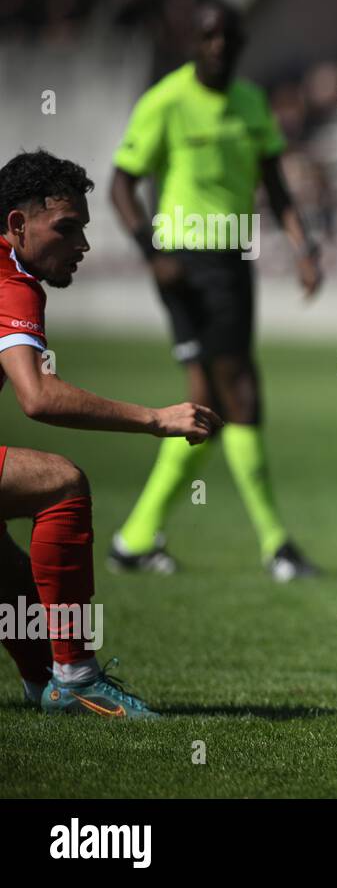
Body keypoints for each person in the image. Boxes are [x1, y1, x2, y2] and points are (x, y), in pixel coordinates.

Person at [107, 0, 323, 582]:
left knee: (203, 410)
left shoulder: (251, 103)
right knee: (241, 395)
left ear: (241, 42)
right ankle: (277, 545)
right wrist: (152, 252)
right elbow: (121, 186)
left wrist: (304, 247)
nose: (218, 46)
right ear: (191, 42)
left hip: (231, 261)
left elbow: (276, 186)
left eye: (227, 36)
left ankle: (132, 539)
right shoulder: (166, 102)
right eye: (207, 36)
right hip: (185, 263)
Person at [0, 150, 220, 717]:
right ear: (17, 226)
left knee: (8, 571)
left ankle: (45, 684)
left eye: (84, 230)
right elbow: (39, 397)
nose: (82, 245)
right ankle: (75, 679)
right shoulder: (12, 281)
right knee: (62, 483)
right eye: (66, 229)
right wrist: (154, 418)